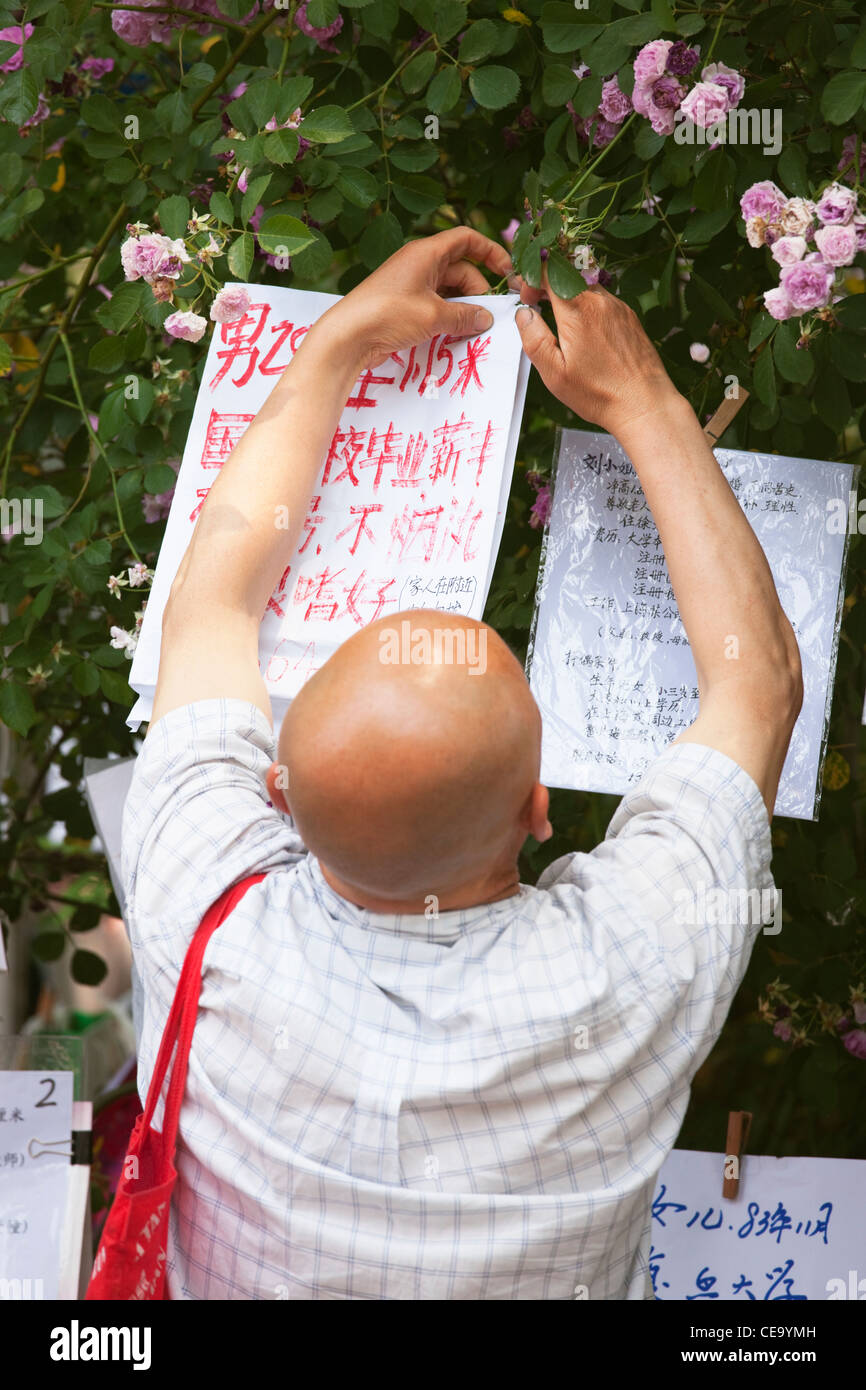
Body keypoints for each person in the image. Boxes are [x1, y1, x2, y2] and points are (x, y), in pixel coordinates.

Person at [122, 227, 802, 1299]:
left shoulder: (202, 904)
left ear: (276, 796)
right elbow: (756, 684)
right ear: (538, 808)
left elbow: (212, 597)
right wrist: (646, 407)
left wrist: (340, 338)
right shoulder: (635, 958)